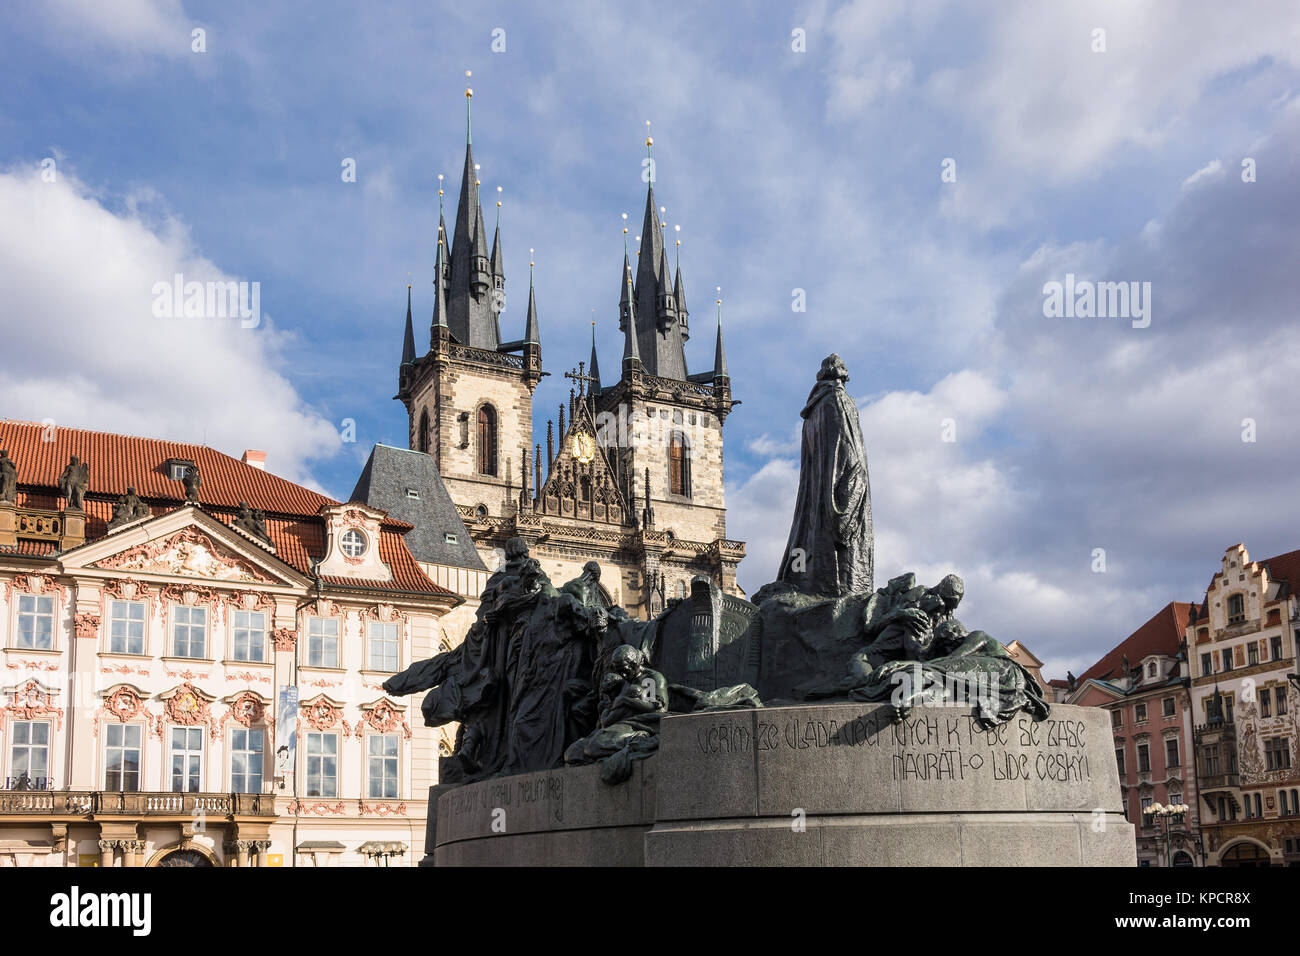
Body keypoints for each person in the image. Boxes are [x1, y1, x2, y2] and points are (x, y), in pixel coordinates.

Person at [775, 354, 873, 597]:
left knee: (813, 543)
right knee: (846, 571)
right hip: (838, 490)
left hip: (816, 499)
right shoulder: (840, 400)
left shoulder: (812, 411)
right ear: (842, 375)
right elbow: (852, 456)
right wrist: (852, 494)